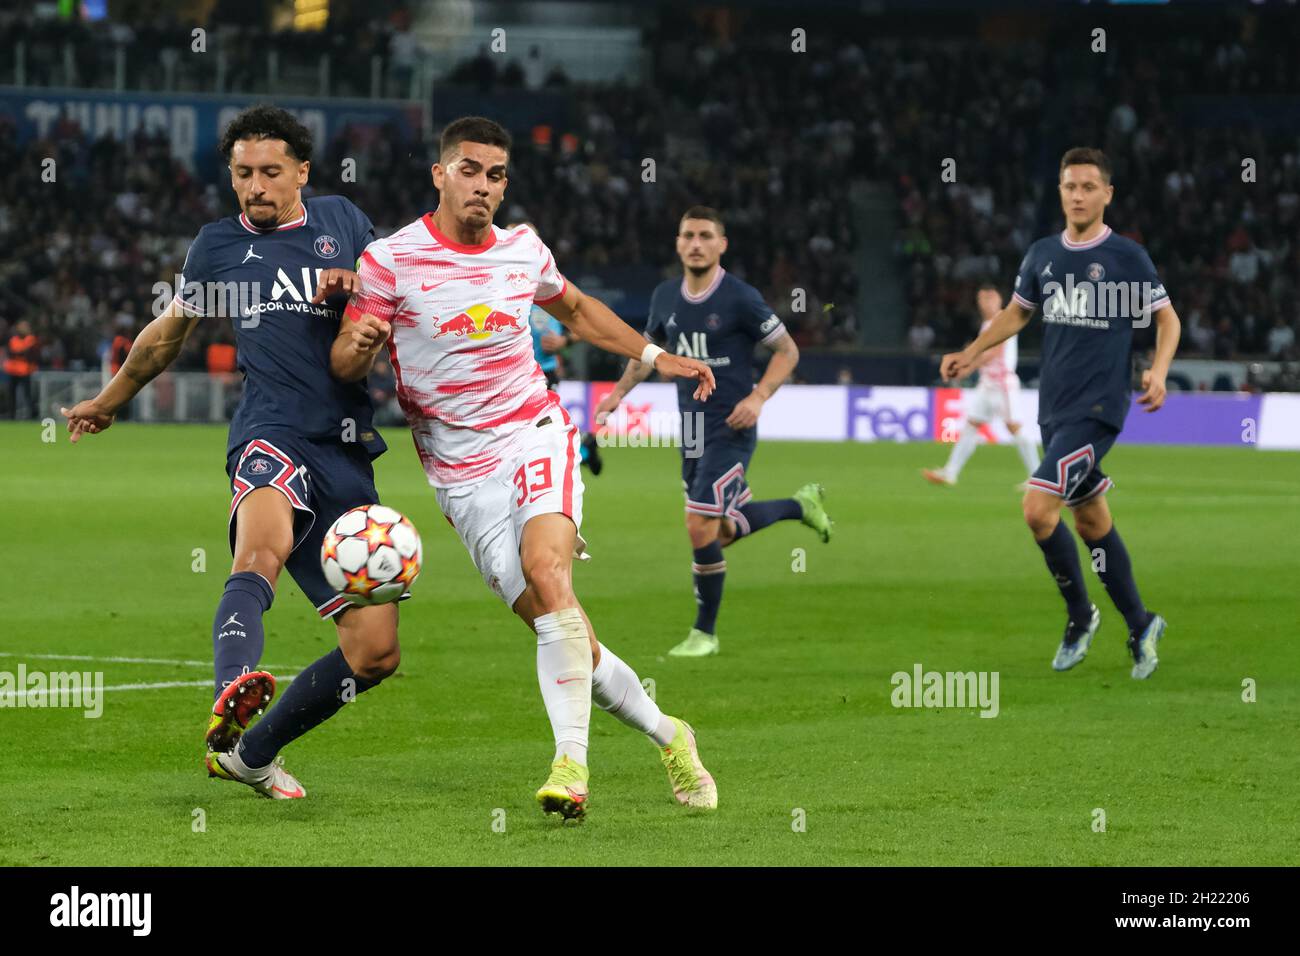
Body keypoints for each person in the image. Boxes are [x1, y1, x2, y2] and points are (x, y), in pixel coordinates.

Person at [337, 116, 719, 819]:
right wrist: (359, 344)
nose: (484, 185)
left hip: (534, 433)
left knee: (550, 574)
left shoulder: (522, 251)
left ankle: (570, 767)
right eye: (471, 170)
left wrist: (657, 357)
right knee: (561, 626)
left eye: (497, 174)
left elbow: (575, 309)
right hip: (458, 473)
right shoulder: (390, 260)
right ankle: (671, 734)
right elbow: (344, 359)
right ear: (441, 174)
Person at [61, 105, 401, 798]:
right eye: (243, 174)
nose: (256, 187)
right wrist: (110, 399)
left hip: (343, 447)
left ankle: (250, 755)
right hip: (268, 431)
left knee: (374, 653)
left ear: (302, 172)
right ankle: (231, 692)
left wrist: (360, 291)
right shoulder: (218, 245)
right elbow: (167, 333)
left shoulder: (343, 223)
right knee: (260, 551)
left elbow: (397, 302)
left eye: (271, 173)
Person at [940, 147, 1181, 679]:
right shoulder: (1043, 255)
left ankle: (1080, 616)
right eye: (1069, 186)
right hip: (1055, 409)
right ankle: (1142, 623)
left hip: (1099, 411)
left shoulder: (1127, 258)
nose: (1077, 195)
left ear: (1107, 194)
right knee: (1091, 520)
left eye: (1088, 186)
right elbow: (1014, 315)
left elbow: (1167, 321)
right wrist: (973, 351)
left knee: (1036, 508)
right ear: (1060, 191)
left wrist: (1159, 371)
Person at [594, 207, 833, 659]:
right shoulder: (665, 296)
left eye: (706, 235)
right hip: (692, 431)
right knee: (719, 531)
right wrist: (618, 395)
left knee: (697, 524)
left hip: (732, 428)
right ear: (678, 242)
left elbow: (787, 350)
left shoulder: (740, 298)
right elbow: (645, 352)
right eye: (688, 235)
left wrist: (759, 397)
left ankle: (705, 633)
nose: (696, 243)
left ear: (722, 244)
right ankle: (799, 505)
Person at [923, 283, 1039, 488]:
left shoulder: (1004, 319)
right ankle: (950, 472)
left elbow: (994, 352)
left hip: (1003, 383)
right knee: (971, 425)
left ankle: (1038, 477)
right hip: (987, 383)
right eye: (982, 299)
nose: (985, 303)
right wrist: (969, 366)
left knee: (1013, 427)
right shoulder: (987, 324)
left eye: (990, 298)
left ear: (999, 300)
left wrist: (968, 365)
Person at [5, 320, 38, 419]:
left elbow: (28, 354)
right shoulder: (13, 339)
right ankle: (12, 416)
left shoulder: (30, 339)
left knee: (27, 394)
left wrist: (18, 353)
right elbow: (10, 353)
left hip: (25, 371)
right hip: (13, 370)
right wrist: (20, 353)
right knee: (11, 394)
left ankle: (31, 415)